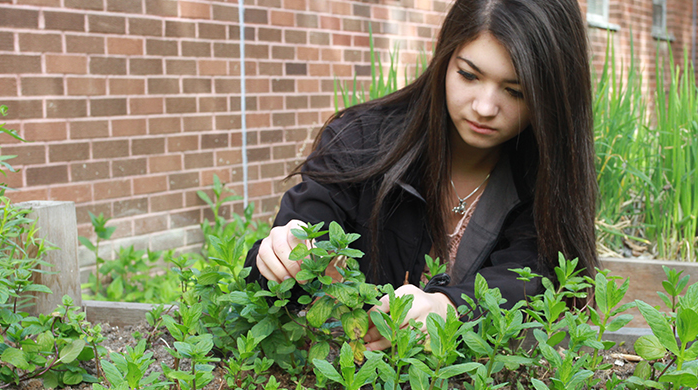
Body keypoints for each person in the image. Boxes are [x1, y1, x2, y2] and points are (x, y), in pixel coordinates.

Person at [244, 0, 598, 352]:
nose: (485, 107)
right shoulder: (361, 140)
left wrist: (450, 308)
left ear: (552, 95)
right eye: (469, 75)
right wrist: (286, 252)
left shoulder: (545, 180)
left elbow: (531, 279)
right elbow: (305, 224)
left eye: (515, 91)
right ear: (445, 58)